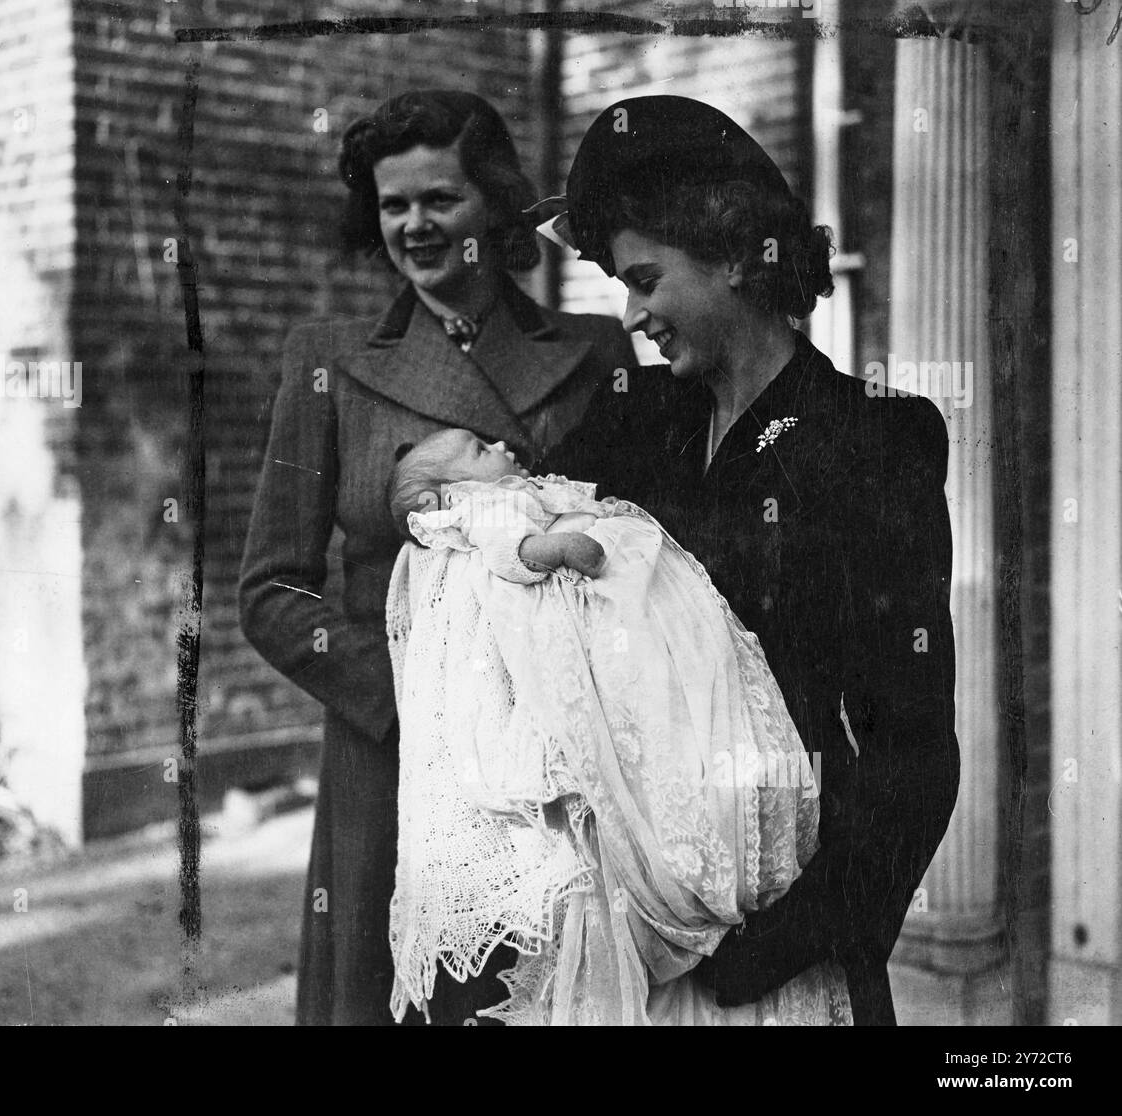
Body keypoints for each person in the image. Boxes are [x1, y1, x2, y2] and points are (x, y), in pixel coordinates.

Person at [540, 96, 961, 1026]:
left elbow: (917, 756)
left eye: (646, 279)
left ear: (733, 253)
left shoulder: (873, 440)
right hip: (627, 941)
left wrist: (770, 956)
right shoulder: (633, 423)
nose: (633, 313)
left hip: (783, 954)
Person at [238, 89, 636, 1026]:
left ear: (494, 206)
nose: (414, 225)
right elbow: (270, 589)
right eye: (392, 205)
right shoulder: (326, 361)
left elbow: (627, 543)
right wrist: (410, 693)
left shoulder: (596, 350)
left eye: (439, 200)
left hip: (554, 742)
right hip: (396, 744)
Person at [384, 428, 851, 1025]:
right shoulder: (482, 512)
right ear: (436, 501)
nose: (499, 446)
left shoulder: (521, 492)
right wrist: (554, 550)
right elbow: (507, 547)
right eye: (479, 450)